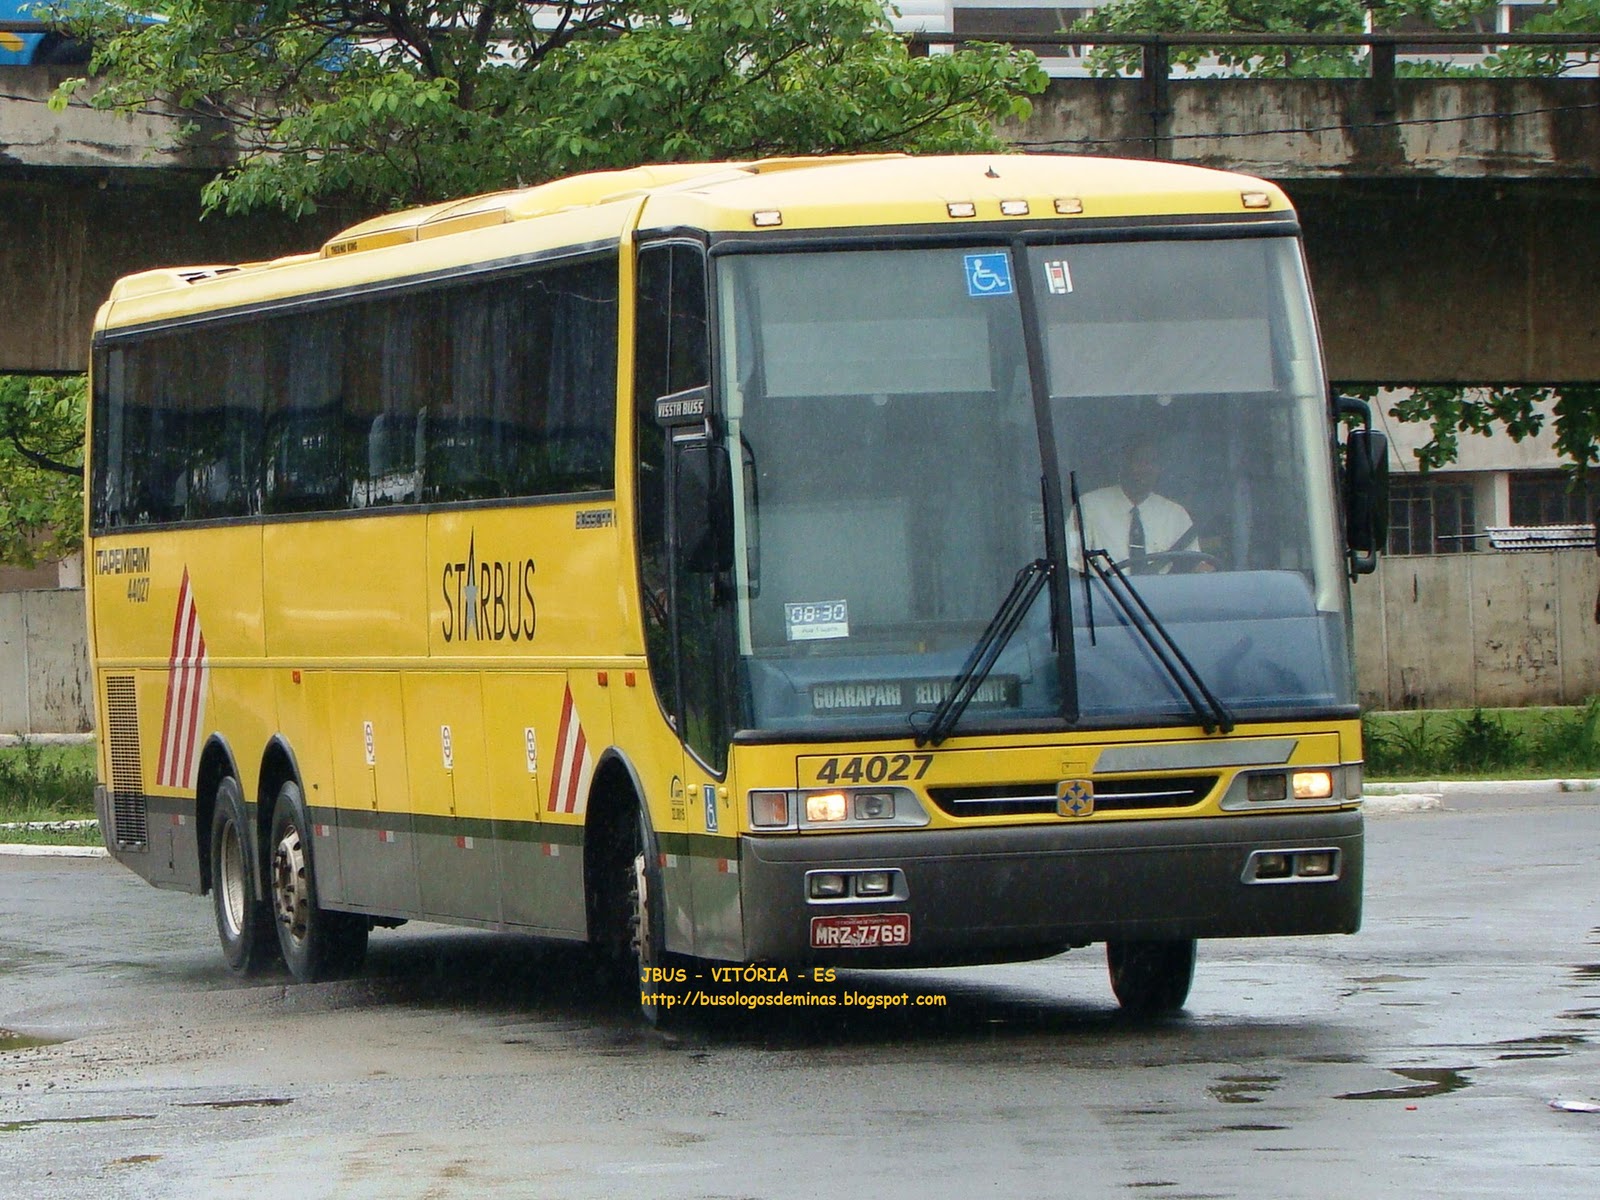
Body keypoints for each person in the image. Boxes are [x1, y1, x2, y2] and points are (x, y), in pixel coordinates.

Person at [1075, 434, 1204, 572]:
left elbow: (1193, 567)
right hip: (1105, 592)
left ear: (1160, 469)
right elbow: (1073, 565)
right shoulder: (1088, 506)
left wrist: (1203, 570)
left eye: (1152, 462)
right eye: (1139, 461)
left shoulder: (1176, 514)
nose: (1145, 469)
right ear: (1124, 464)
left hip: (1162, 592)